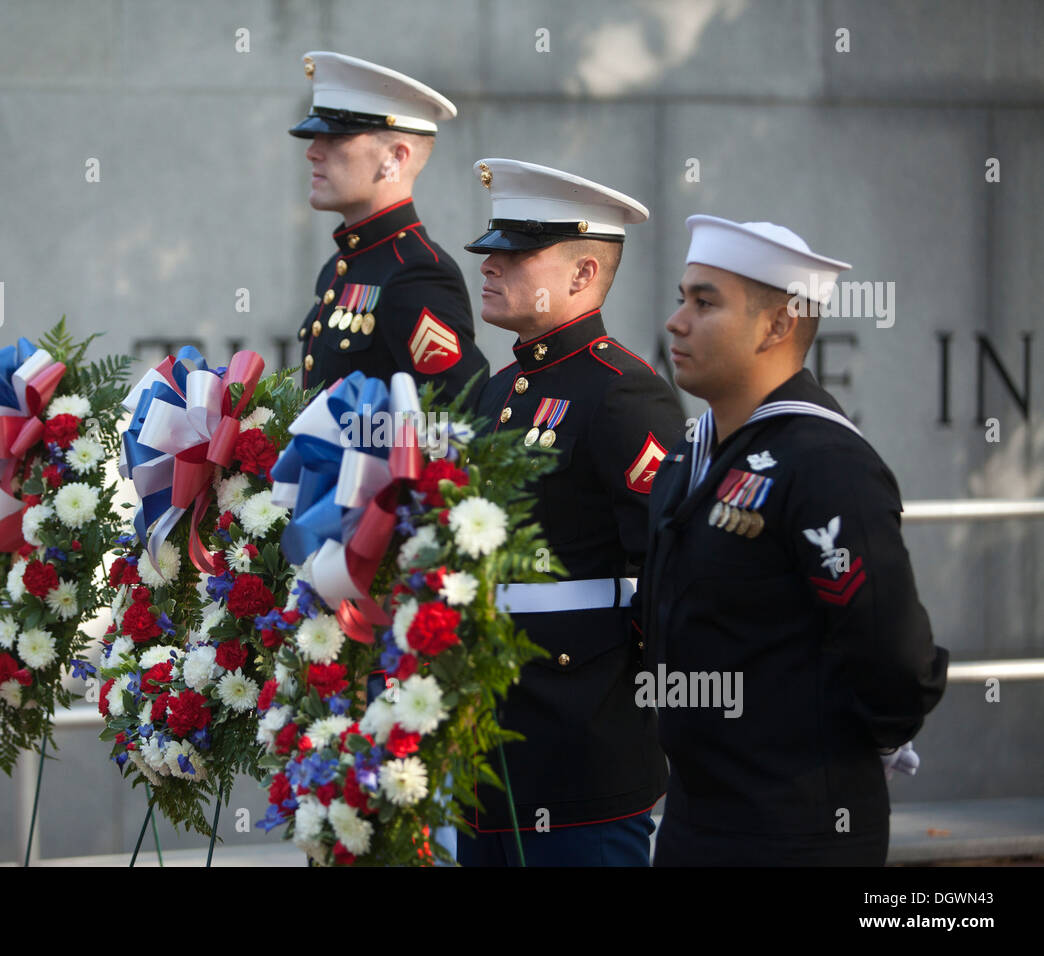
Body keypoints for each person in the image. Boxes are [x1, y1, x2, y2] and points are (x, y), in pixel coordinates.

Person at [641, 214, 949, 866]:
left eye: (705, 302)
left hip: (797, 829)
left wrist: (881, 740)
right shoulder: (689, 455)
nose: (677, 320)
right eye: (681, 297)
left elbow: (893, 654)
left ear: (778, 325)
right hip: (694, 817)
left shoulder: (824, 460)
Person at [460, 158, 686, 866]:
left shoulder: (623, 393)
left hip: (582, 745)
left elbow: (671, 567)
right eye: (492, 246)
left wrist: (622, 704)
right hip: (487, 751)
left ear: (583, 275)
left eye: (516, 251)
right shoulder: (493, 394)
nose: (489, 263)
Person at [288, 51, 488, 403]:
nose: (313, 152)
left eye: (335, 138)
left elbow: (453, 422)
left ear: (396, 157)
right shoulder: (345, 264)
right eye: (316, 138)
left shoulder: (417, 274)